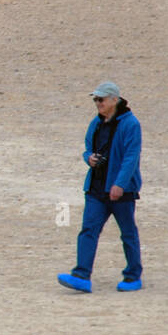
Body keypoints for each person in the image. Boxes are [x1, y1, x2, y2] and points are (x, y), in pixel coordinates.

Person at [57, 81, 141, 293]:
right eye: (95, 99)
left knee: (128, 233)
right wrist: (89, 159)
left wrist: (119, 184)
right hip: (96, 189)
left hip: (121, 192)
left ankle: (133, 276)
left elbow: (131, 157)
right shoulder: (95, 123)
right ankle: (81, 275)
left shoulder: (131, 124)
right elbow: (87, 148)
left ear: (115, 100)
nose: (97, 103)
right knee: (88, 230)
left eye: (101, 99)